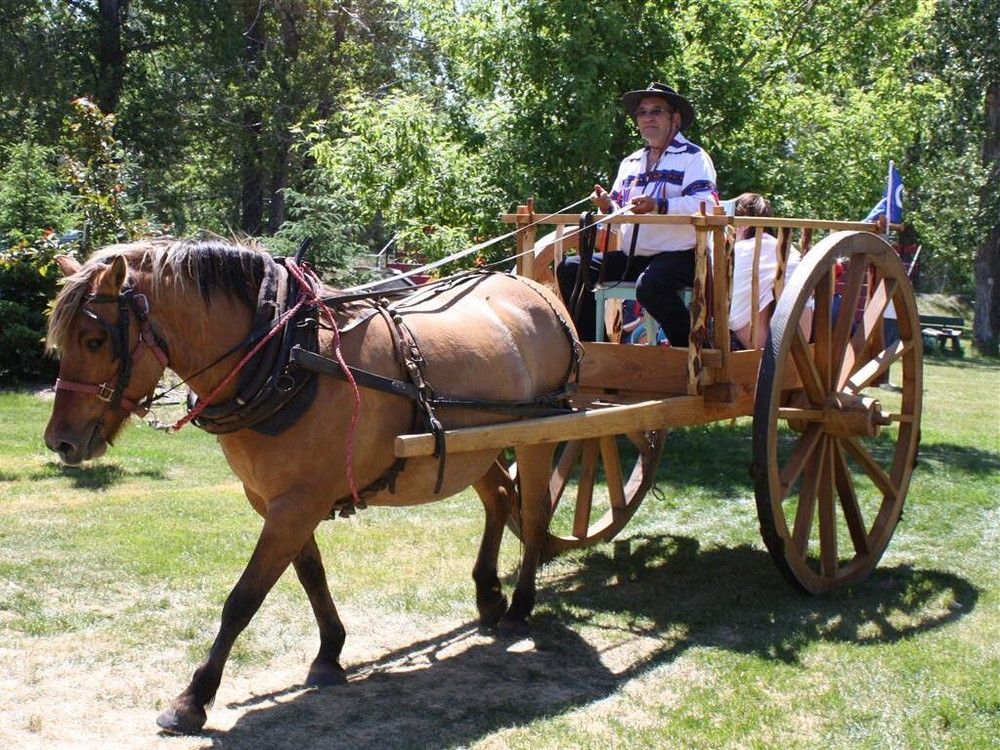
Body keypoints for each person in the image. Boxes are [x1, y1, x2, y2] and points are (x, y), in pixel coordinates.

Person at [556, 82, 718, 345]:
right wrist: (607, 206)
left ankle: (692, 351)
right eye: (642, 112)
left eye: (656, 111)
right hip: (637, 256)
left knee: (650, 286)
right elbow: (622, 215)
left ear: (674, 118)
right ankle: (595, 351)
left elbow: (707, 205)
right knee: (572, 268)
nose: (648, 117)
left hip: (682, 257)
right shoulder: (630, 163)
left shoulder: (694, 157)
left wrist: (659, 205)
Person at [729, 192, 810, 349]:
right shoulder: (789, 250)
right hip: (800, 339)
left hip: (757, 343)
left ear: (742, 223)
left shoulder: (739, 250)